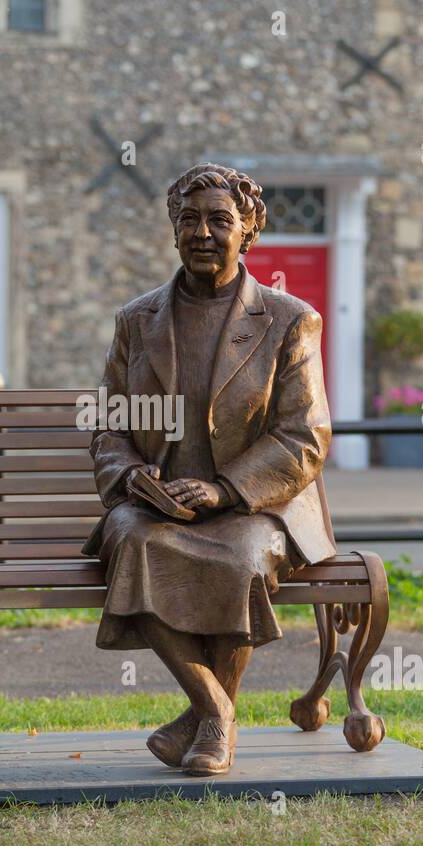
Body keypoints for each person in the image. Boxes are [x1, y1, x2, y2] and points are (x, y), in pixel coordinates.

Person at [82, 162, 335, 776]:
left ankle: (203, 721)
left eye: (220, 220)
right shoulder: (138, 321)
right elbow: (108, 425)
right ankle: (217, 710)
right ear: (173, 229)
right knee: (129, 540)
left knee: (244, 559)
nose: (202, 232)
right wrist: (131, 477)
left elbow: (306, 435)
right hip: (157, 506)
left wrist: (225, 490)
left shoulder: (288, 320)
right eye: (189, 219)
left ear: (247, 231)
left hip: (257, 506)